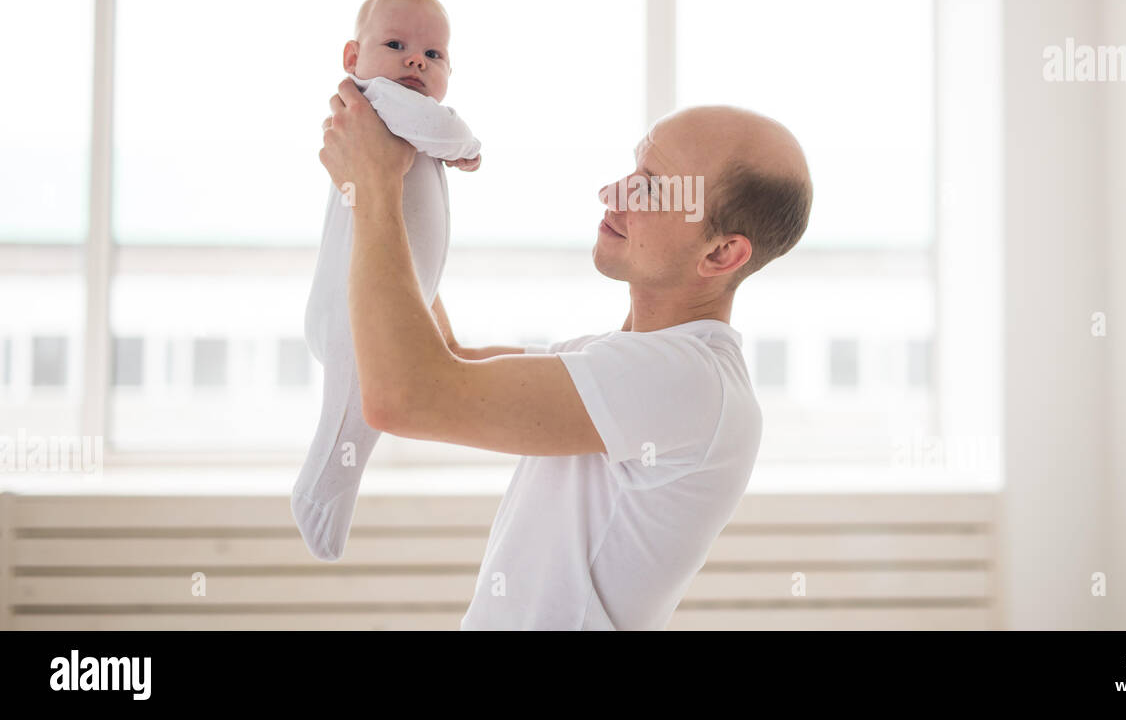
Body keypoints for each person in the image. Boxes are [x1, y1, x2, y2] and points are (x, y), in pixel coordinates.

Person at [318, 79, 813, 629]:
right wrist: (406, 182)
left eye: (650, 188)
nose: (611, 193)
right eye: (632, 171)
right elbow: (444, 356)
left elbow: (404, 396)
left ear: (721, 253)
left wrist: (372, 188)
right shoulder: (616, 359)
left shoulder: (689, 380)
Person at [294, 0, 480, 562]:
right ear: (353, 58)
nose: (415, 61)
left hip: (383, 300)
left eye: (434, 55)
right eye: (396, 43)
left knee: (362, 409)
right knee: (354, 416)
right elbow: (446, 132)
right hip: (355, 310)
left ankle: (328, 491)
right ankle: (318, 494)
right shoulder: (376, 101)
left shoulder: (396, 119)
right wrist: (467, 145)